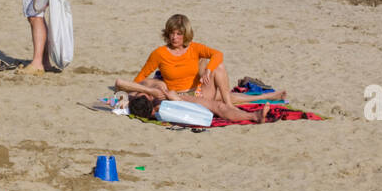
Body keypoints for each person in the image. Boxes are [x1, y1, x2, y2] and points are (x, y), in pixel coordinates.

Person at [114, 14, 273, 123]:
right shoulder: (159, 53)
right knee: (218, 107)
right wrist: (129, 95)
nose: (174, 37)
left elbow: (218, 54)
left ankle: (230, 104)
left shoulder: (194, 48)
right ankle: (254, 116)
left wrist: (209, 70)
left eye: (178, 34)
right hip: (179, 94)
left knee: (218, 66)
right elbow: (141, 77)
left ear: (186, 34)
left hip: (199, 89)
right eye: (171, 33)